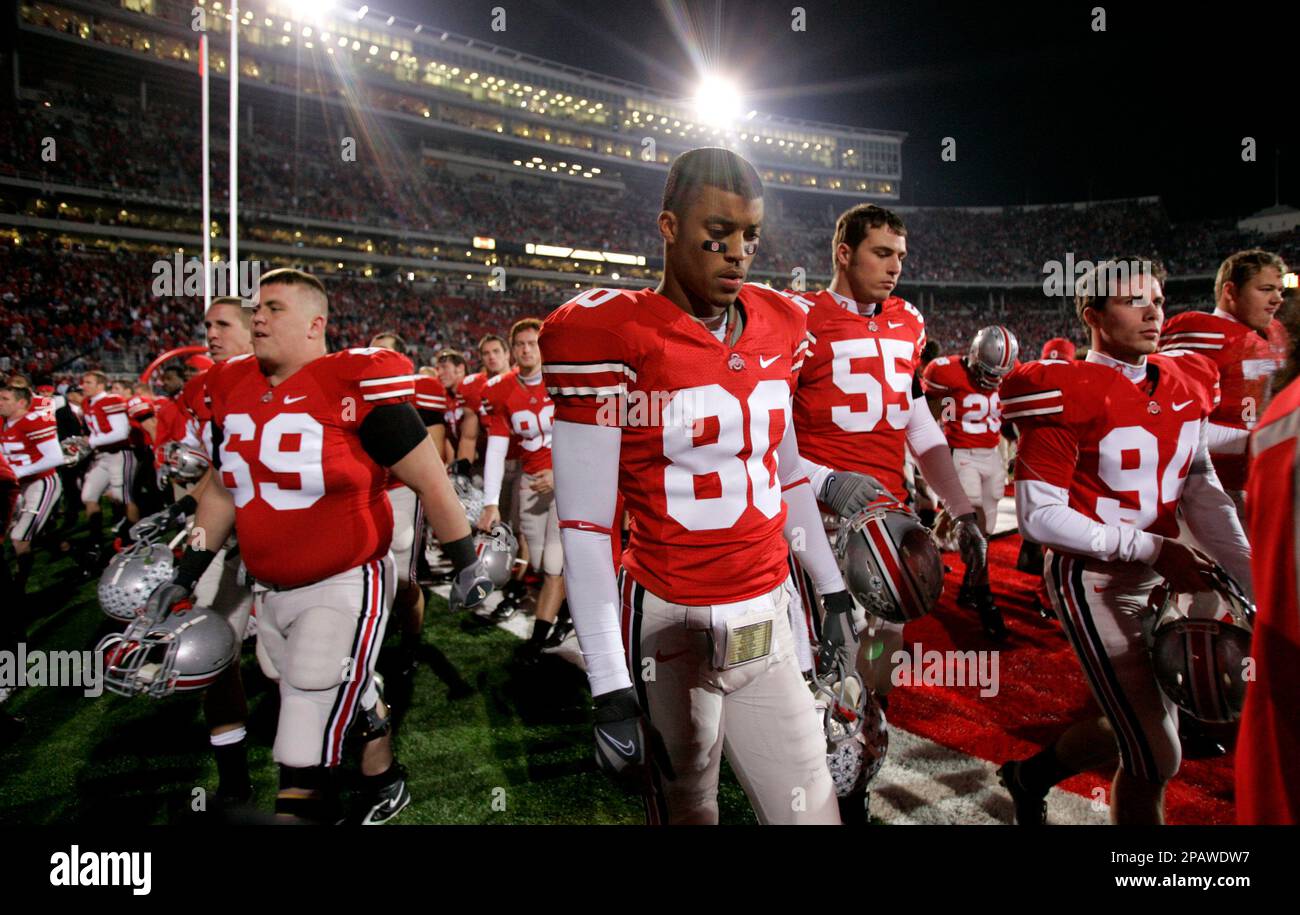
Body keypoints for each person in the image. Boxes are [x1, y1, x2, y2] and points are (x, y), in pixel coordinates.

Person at [543, 147, 866, 825]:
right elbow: (585, 523)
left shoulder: (781, 322)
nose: (738, 253)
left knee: (813, 811)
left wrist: (829, 583)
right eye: (717, 234)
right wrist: (608, 681)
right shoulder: (612, 332)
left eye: (750, 236)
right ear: (667, 225)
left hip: (766, 612)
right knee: (689, 808)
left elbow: (787, 472)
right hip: (669, 618)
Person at [145, 269, 492, 824]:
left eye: (274, 308)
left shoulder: (354, 382)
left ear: (315, 324)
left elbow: (431, 481)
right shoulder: (234, 386)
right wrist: (185, 574)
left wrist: (466, 562)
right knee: (318, 687)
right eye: (256, 308)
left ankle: (300, 811)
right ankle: (383, 771)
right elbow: (223, 490)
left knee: (305, 717)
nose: (258, 317)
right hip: (269, 587)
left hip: (346, 576)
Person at [998, 257, 1250, 825]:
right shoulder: (1063, 388)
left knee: (1135, 725)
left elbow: (1203, 493)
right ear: (1093, 315)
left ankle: (1029, 775)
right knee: (1157, 752)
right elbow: (1041, 519)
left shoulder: (1188, 379)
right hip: (1094, 580)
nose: (1152, 311)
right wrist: (1156, 549)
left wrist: (1253, 579)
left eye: (1158, 300)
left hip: (1162, 573)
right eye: (1134, 300)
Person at [1159, 249, 1289, 523]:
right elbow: (1167, 423)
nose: (1278, 298)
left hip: (1262, 481)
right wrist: (1256, 440)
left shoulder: (1276, 332)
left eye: (1279, 289)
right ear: (1230, 291)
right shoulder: (1202, 332)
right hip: (1208, 489)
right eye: (1266, 289)